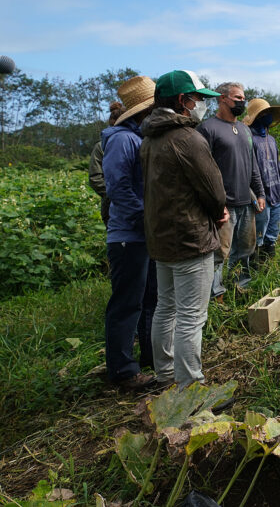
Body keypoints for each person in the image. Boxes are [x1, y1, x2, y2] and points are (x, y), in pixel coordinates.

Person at [141, 70, 228, 388]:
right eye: (198, 99)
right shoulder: (188, 138)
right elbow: (214, 190)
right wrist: (218, 212)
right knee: (191, 315)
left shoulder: (150, 138)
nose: (201, 104)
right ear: (182, 101)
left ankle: (165, 375)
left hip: (161, 238)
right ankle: (190, 385)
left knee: (166, 307)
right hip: (191, 238)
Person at [100, 76, 158, 391]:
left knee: (150, 298)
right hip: (128, 236)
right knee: (127, 303)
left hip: (143, 234)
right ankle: (122, 370)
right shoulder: (123, 139)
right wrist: (141, 218)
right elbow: (118, 186)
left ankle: (149, 358)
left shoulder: (140, 137)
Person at [198, 82, 265, 299]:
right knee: (219, 253)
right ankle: (214, 295)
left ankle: (240, 288)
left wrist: (260, 193)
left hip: (246, 202)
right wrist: (214, 203)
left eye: (243, 98)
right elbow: (203, 169)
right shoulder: (208, 128)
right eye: (237, 98)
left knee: (245, 249)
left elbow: (252, 165)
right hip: (223, 205)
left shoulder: (245, 130)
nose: (241, 102)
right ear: (222, 98)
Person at [245, 98, 280, 264]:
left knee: (272, 234)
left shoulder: (271, 140)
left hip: (277, 192)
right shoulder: (250, 140)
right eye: (264, 114)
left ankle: (269, 268)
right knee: (258, 235)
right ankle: (255, 272)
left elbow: (276, 166)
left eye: (269, 113)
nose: (267, 116)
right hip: (260, 196)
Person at [89, 102, 126, 224]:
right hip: (111, 206)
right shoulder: (100, 147)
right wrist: (116, 194)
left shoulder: (134, 141)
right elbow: (95, 178)